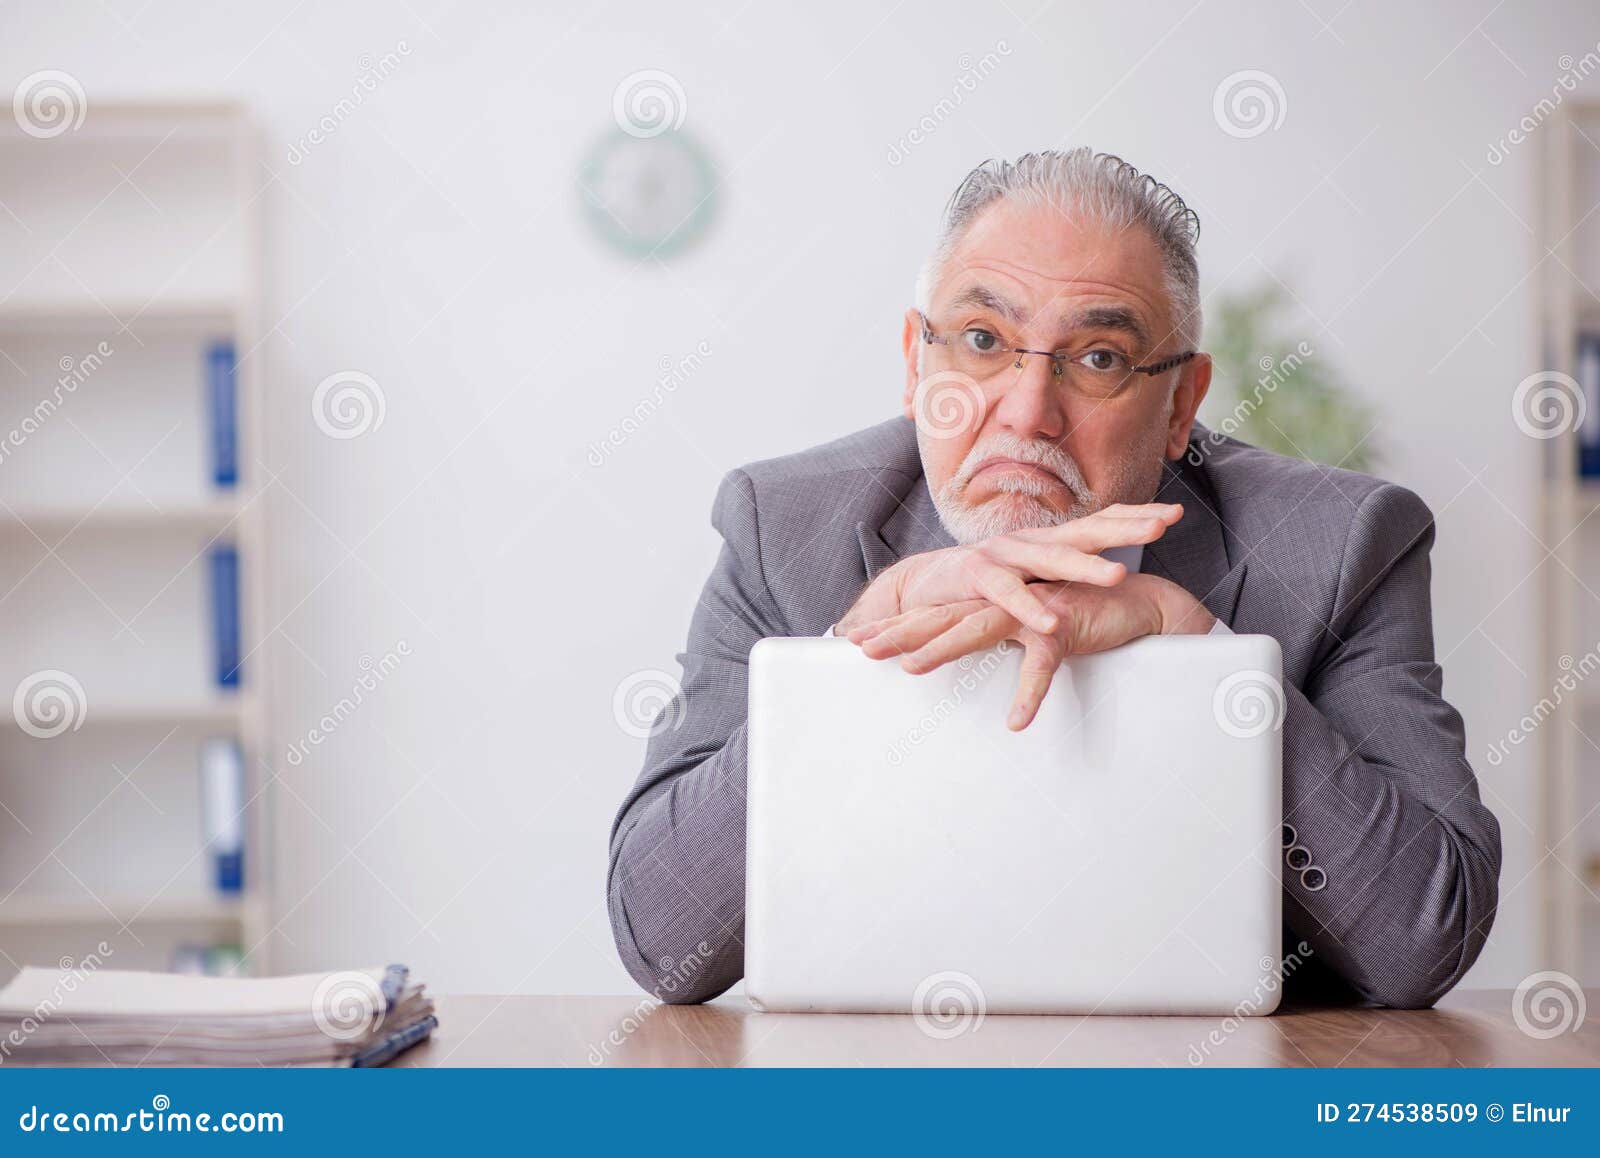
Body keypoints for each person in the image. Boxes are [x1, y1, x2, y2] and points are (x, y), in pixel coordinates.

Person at [606, 148, 1500, 1009]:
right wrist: (850, 656)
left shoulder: (1340, 545)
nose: (1028, 414)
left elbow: (1422, 942)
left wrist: (1202, 657)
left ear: (1182, 404)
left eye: (1100, 358)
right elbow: (659, 939)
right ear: (918, 365)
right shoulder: (787, 529)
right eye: (984, 339)